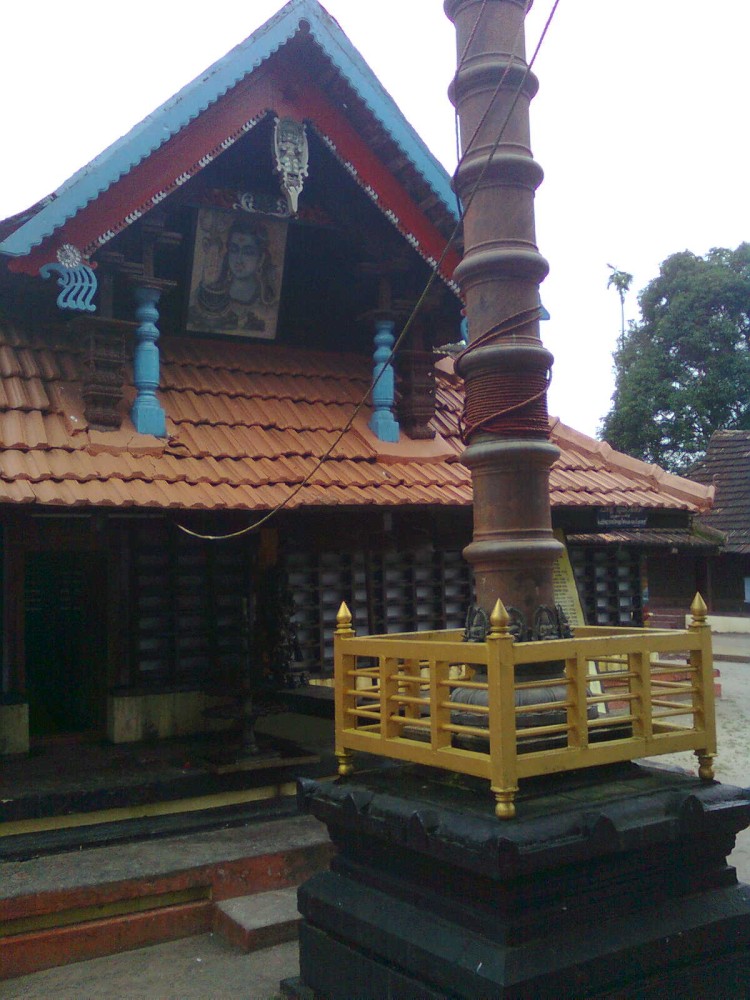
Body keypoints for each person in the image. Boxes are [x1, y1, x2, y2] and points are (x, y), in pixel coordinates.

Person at [190, 214, 277, 332]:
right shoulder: (208, 295)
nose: (239, 259)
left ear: (261, 259)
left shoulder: (269, 306)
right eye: (234, 250)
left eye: (248, 252)